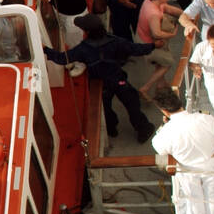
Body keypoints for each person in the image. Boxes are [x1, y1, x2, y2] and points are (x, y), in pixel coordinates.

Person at [43, 13, 156, 143]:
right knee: (132, 104)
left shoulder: (83, 49)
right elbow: (136, 49)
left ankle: (112, 128)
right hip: (118, 79)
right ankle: (143, 129)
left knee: (106, 108)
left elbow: (62, 58)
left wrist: (46, 50)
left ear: (87, 31)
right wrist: (153, 46)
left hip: (100, 85)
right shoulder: (115, 41)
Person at [152, 86, 214, 214]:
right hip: (213, 164)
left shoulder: (163, 135)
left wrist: (165, 126)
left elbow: (161, 157)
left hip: (187, 170)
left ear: (164, 111)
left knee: (193, 198)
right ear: (180, 103)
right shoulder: (205, 119)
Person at [135, 0, 180, 97]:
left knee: (160, 62)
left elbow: (167, 8)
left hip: (141, 37)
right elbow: (157, 33)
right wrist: (172, 34)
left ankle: (161, 84)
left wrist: (186, 15)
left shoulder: (149, 0)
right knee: (167, 63)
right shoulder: (153, 14)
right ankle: (145, 88)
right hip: (148, 44)